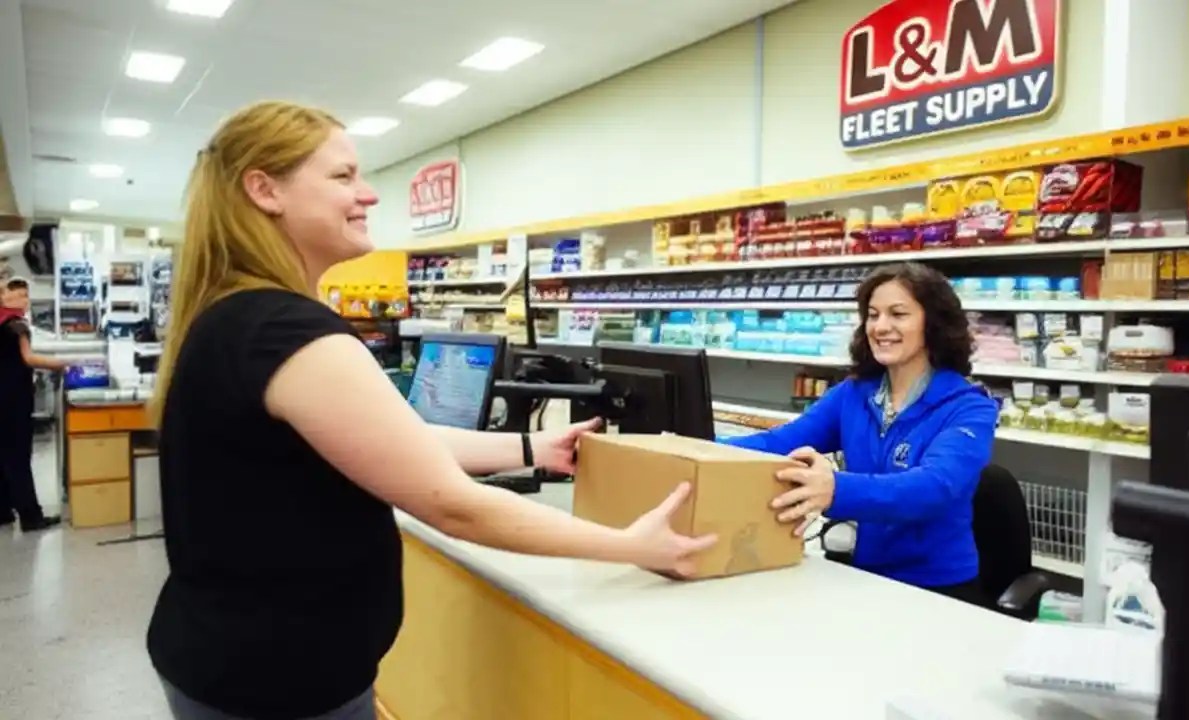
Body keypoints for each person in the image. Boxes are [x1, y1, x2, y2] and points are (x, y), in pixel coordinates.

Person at [146, 101, 719, 720]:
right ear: (265, 189)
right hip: (278, 685)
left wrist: (532, 450)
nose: (367, 195)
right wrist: (631, 546)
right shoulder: (286, 330)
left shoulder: (238, 316)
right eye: (343, 176)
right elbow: (453, 505)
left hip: (236, 663)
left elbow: (392, 444)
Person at [722, 262, 998, 604]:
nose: (881, 327)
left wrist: (835, 489)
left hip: (938, 591)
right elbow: (780, 442)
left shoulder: (969, 408)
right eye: (872, 315)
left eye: (898, 314)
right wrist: (692, 442)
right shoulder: (854, 394)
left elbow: (934, 487)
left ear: (934, 323)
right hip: (865, 577)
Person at [0, 277, 65, 532]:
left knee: (3, 455)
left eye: (26, 295)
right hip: (14, 398)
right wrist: (61, 363)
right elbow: (28, 358)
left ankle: (3, 511)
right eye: (17, 295)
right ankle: (31, 517)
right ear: (6, 297)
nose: (24, 300)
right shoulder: (17, 325)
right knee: (18, 457)